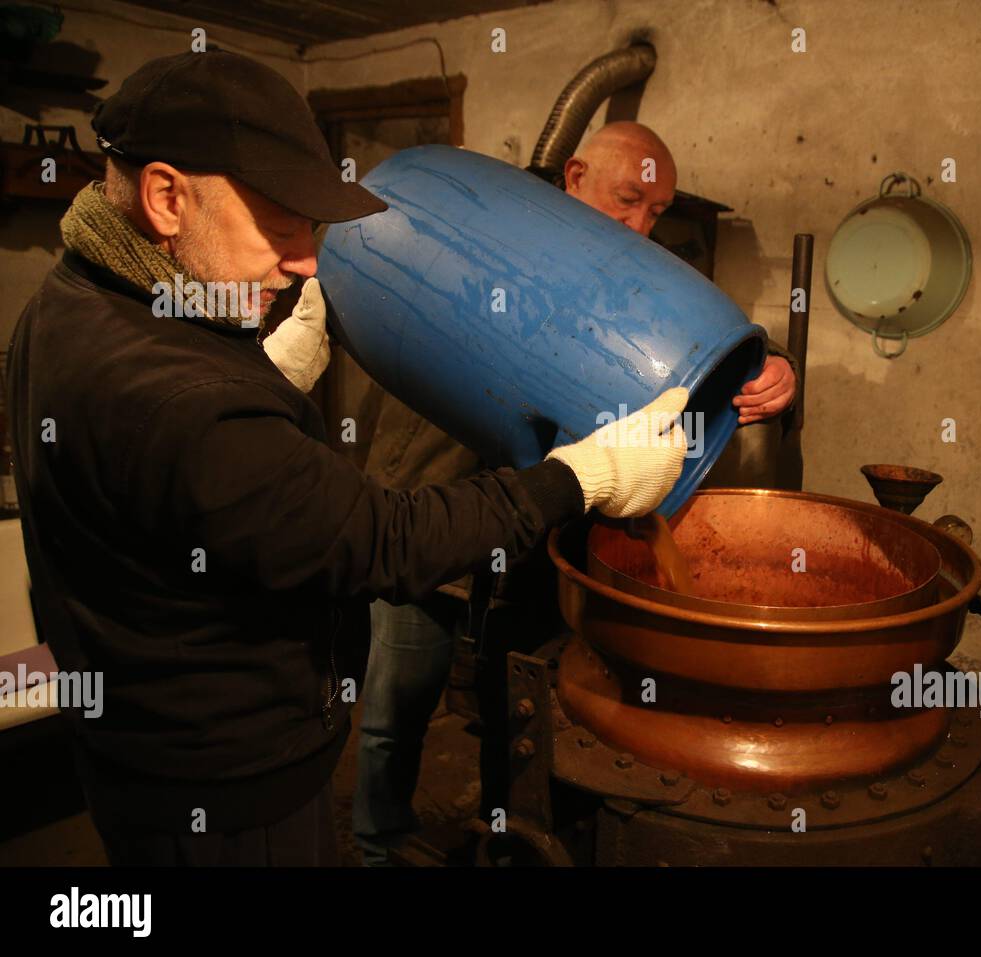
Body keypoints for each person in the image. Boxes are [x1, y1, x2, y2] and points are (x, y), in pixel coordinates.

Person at [3, 50, 688, 867]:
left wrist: (266, 373)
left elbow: (182, 442)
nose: (305, 261)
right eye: (282, 224)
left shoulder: (69, 299)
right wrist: (586, 475)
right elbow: (386, 543)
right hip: (226, 786)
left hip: (136, 745)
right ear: (165, 196)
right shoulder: (186, 398)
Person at [351, 120, 799, 863]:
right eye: (629, 200)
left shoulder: (617, 266)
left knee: (515, 707)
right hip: (428, 509)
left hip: (537, 521)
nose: (640, 225)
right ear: (574, 175)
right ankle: (376, 845)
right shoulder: (492, 229)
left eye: (656, 212)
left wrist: (773, 360)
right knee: (397, 703)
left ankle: (505, 839)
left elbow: (681, 335)